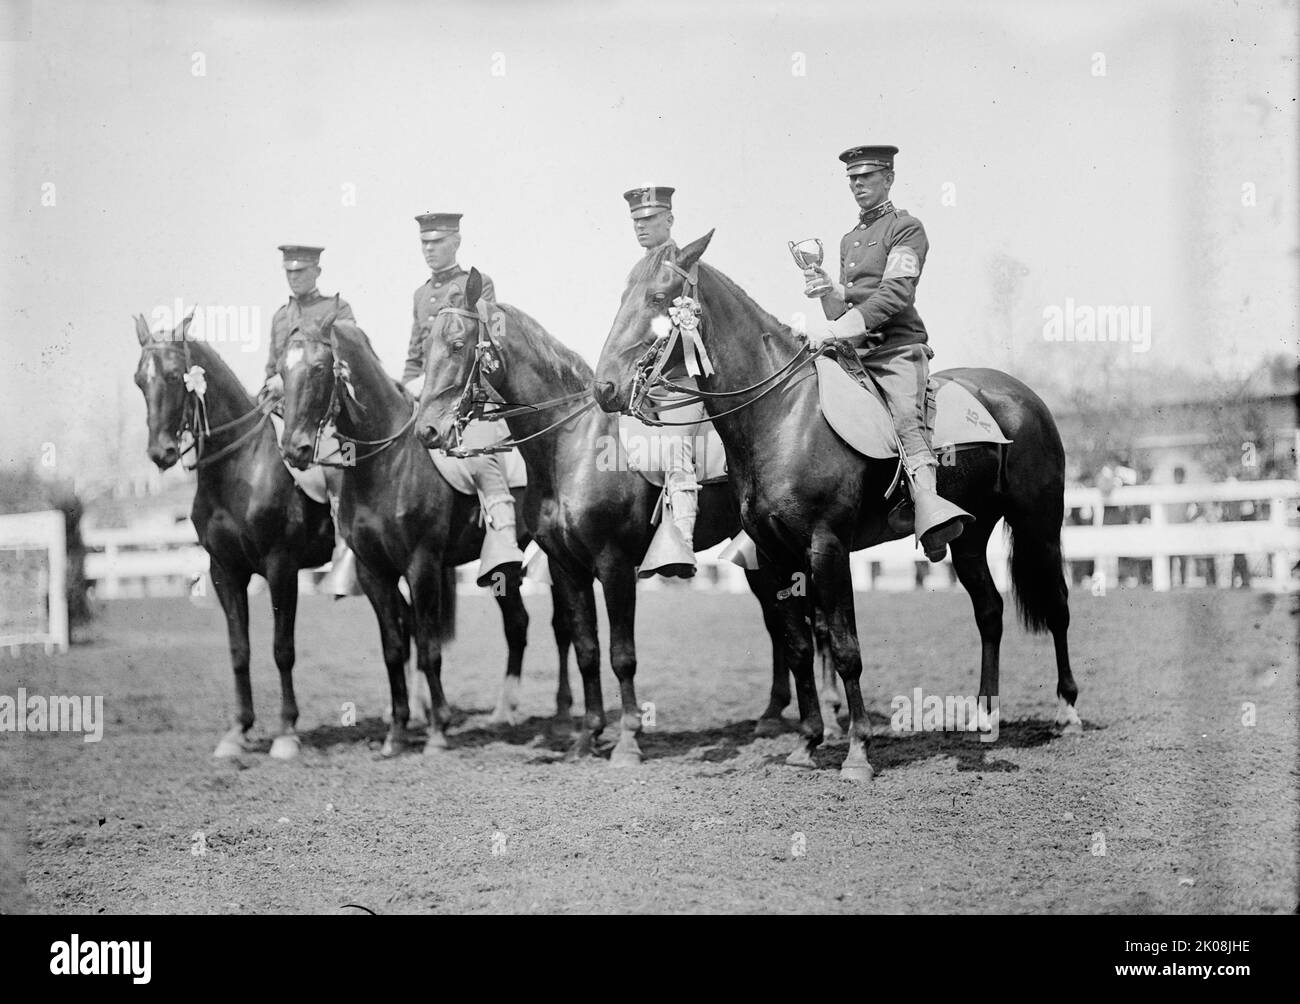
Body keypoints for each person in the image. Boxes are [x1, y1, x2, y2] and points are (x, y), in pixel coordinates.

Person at [802, 145, 973, 561]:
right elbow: (844, 308)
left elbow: (896, 292)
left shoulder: (907, 228)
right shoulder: (848, 240)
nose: (858, 185)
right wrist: (829, 292)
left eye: (867, 177)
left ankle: (930, 511)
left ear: (889, 179)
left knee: (903, 417)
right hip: (856, 352)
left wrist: (844, 324)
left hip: (897, 348)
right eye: (852, 179)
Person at [401, 212, 523, 584]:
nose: (429, 249)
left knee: (481, 454)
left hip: (472, 400)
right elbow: (414, 353)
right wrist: (408, 383)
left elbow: (489, 340)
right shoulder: (421, 295)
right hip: (429, 399)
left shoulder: (478, 284)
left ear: (455, 242)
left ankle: (503, 540)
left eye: (436, 242)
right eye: (424, 243)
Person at [258, 244, 359, 598]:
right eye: (290, 272)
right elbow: (273, 366)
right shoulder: (280, 317)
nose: (295, 277)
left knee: (337, 464)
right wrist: (272, 382)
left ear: (317, 271)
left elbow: (351, 357)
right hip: (287, 410)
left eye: (301, 271)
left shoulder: (336, 308)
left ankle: (345, 550)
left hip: (325, 413)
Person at [622, 186, 705, 578]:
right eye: (636, 220)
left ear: (669, 219)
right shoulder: (638, 272)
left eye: (649, 219)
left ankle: (682, 543)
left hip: (683, 380)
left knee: (674, 448)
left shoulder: (685, 265)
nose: (641, 226)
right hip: (647, 385)